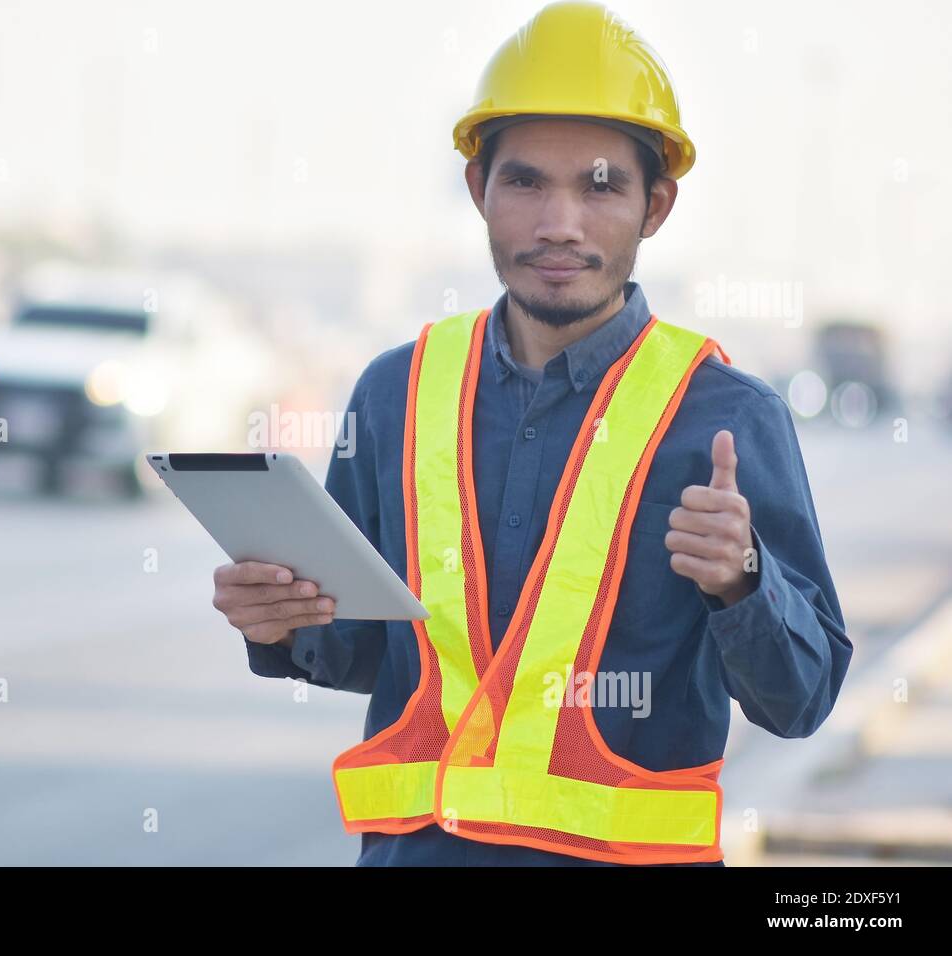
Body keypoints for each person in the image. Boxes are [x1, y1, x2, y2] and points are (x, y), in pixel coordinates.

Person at [210, 0, 851, 866]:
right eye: (525, 182)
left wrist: (743, 582)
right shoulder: (395, 392)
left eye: (599, 185)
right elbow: (366, 652)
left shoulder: (727, 418)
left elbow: (801, 699)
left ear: (655, 205)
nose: (560, 223)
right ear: (478, 190)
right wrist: (277, 623)